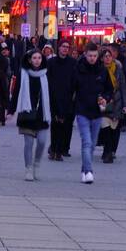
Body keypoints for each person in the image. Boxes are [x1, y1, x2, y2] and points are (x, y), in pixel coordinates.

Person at [72, 42, 114, 183]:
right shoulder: (78, 69)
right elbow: (71, 89)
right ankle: (89, 171)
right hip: (82, 110)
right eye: (90, 55)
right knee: (87, 142)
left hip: (97, 111)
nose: (92, 58)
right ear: (85, 55)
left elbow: (109, 89)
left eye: (95, 56)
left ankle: (84, 169)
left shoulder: (102, 70)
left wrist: (105, 99)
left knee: (93, 142)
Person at [14, 49, 51, 181]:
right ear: (29, 60)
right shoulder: (23, 74)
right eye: (34, 58)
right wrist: (11, 111)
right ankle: (28, 169)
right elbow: (16, 92)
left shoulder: (46, 74)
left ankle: (36, 164)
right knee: (28, 143)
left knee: (41, 142)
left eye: (39, 58)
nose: (37, 60)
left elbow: (52, 94)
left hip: (42, 113)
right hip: (27, 113)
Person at [45, 39, 77, 160]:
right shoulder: (51, 62)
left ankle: (59, 150)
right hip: (53, 97)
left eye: (67, 47)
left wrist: (73, 93)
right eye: (63, 46)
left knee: (64, 124)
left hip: (67, 98)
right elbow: (48, 78)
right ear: (59, 48)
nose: (65, 49)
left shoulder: (72, 63)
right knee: (55, 124)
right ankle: (53, 149)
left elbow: (75, 79)